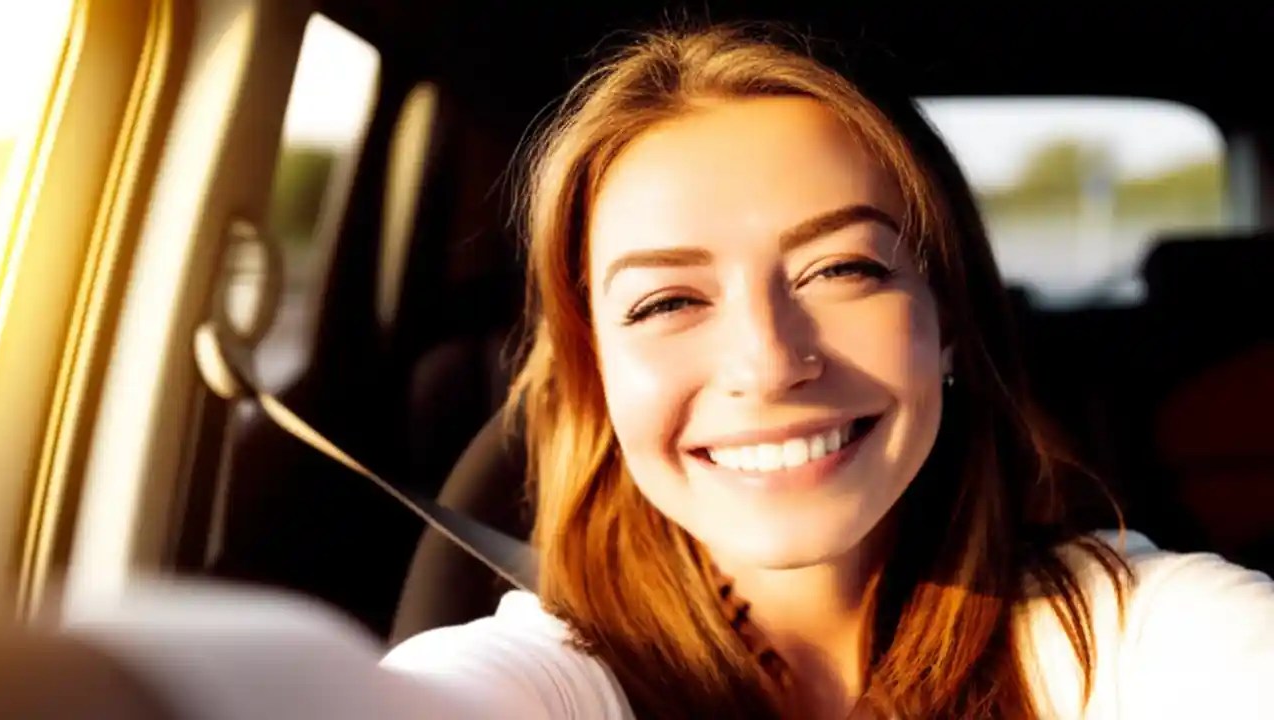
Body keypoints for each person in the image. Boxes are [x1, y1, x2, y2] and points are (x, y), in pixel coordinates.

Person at [381, 24, 1274, 719]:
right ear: (596, 371)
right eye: (666, 303)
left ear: (949, 319)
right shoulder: (546, 679)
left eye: (844, 270)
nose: (768, 364)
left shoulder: (1136, 639)